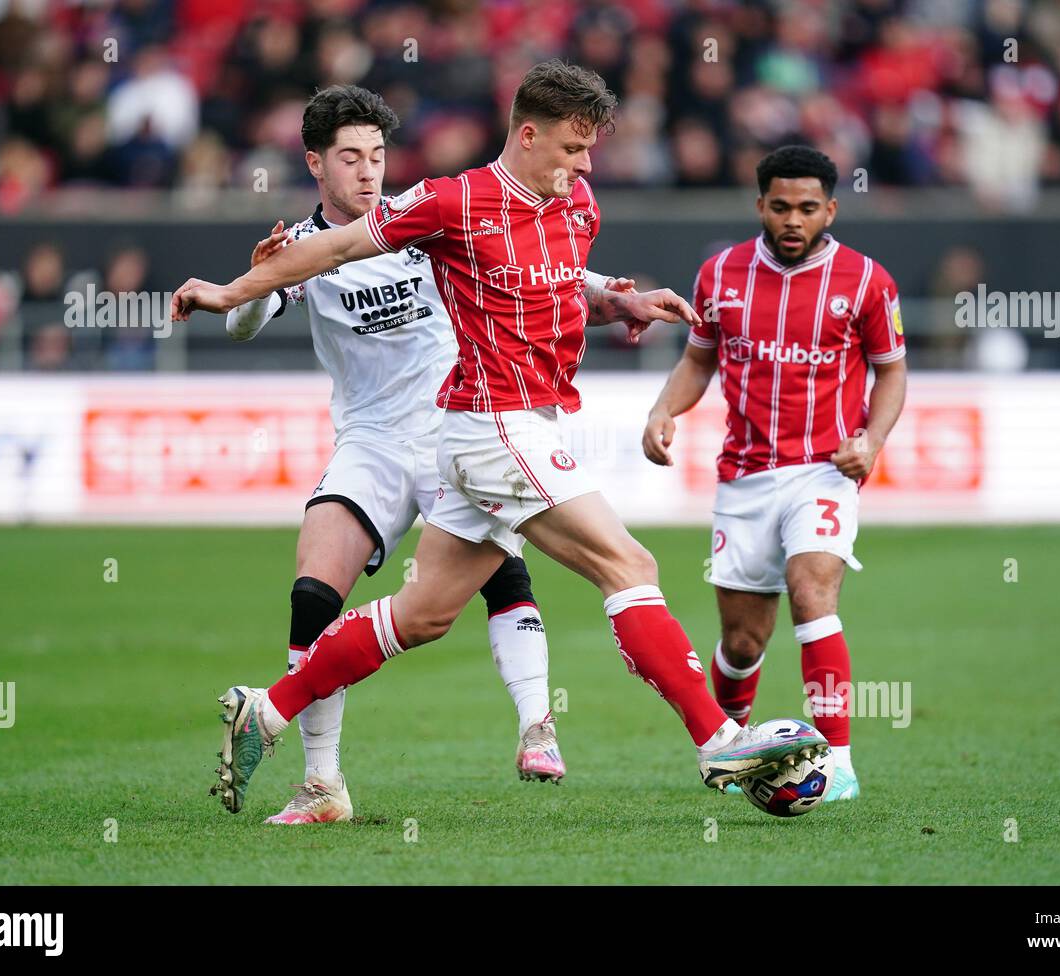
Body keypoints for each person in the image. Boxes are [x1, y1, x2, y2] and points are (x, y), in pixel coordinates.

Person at [173, 60, 829, 817]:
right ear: (527, 134)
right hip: (490, 425)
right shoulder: (451, 202)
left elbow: (557, 287)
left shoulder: (576, 204)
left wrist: (621, 301)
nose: (585, 167)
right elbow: (329, 250)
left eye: (589, 152)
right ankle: (718, 741)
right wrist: (229, 291)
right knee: (630, 562)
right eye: (572, 149)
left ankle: (270, 708)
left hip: (519, 424)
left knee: (421, 614)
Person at [221, 84, 632, 822]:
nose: (368, 171)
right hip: (372, 442)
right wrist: (246, 287)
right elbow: (247, 326)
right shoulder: (307, 252)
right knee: (314, 589)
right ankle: (322, 785)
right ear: (316, 164)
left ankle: (538, 725)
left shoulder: (422, 217)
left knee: (500, 572)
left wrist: (614, 293)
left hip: (456, 425)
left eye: (377, 155)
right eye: (349, 158)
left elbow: (540, 261)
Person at [642, 145, 908, 802]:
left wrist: (870, 441)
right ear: (761, 204)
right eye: (782, 206)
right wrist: (662, 411)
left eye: (809, 209)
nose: (794, 220)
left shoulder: (867, 281)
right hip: (745, 476)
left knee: (813, 593)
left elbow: (892, 371)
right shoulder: (720, 274)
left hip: (824, 471)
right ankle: (733, 749)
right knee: (741, 640)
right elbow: (698, 361)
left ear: (831, 209)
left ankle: (838, 760)